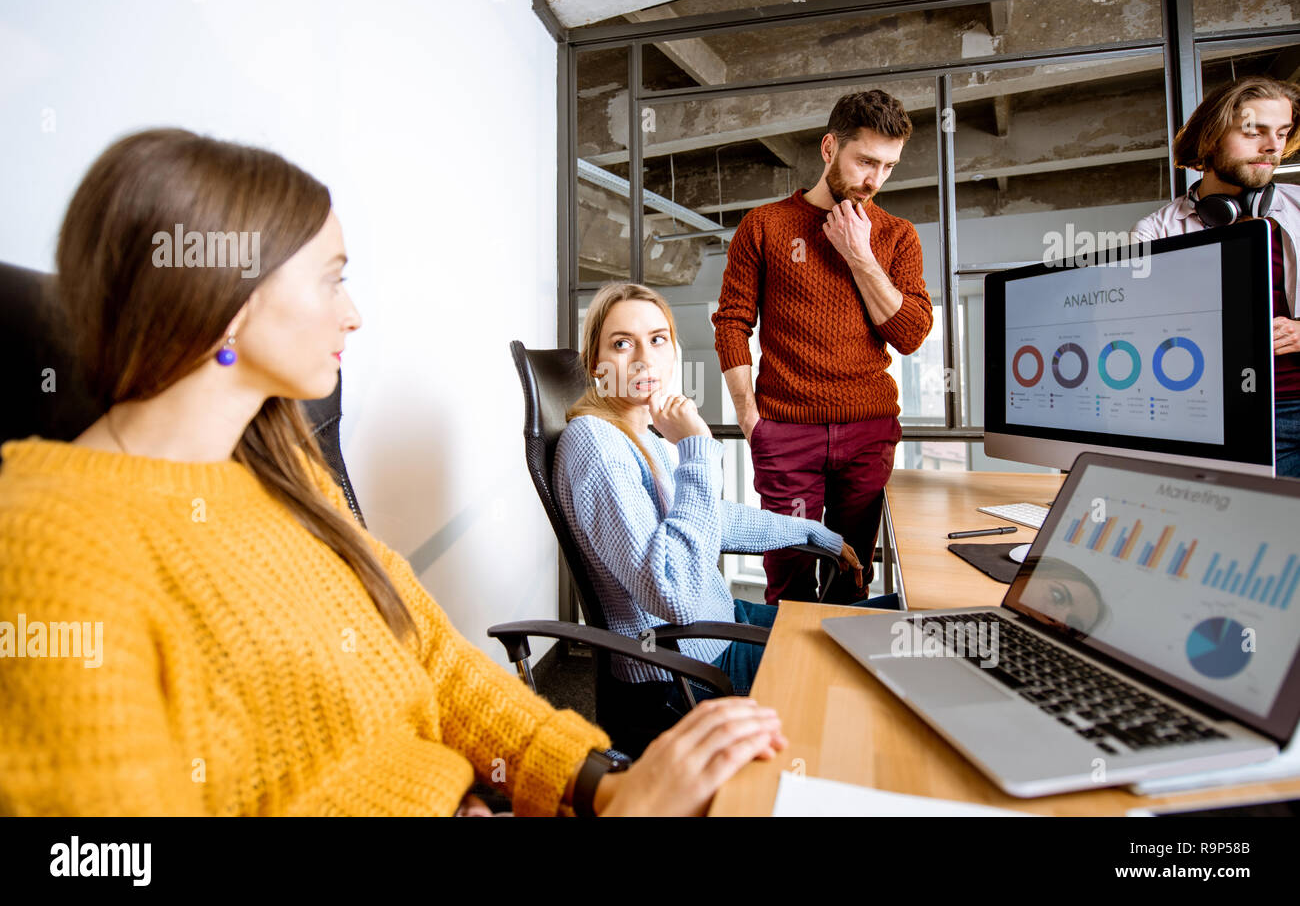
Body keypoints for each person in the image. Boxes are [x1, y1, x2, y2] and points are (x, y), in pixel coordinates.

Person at [0, 128, 789, 817]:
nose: (354, 314)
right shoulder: (52, 541)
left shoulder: (286, 474)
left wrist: (602, 782)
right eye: (332, 277)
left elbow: (437, 662)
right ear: (225, 296)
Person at [553, 282, 899, 719]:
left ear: (672, 350)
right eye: (622, 344)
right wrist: (696, 448)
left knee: (894, 620)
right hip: (687, 669)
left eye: (657, 339)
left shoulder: (642, 437)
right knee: (889, 648)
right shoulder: (596, 443)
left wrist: (813, 532)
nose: (644, 359)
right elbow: (671, 593)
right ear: (596, 364)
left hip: (719, 623)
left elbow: (711, 518)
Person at [712, 90, 935, 605]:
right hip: (786, 432)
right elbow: (732, 323)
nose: (874, 180)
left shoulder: (897, 237)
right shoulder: (764, 225)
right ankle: (785, 685)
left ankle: (840, 684)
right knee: (788, 576)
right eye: (865, 161)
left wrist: (859, 254)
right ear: (830, 147)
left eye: (888, 166)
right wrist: (750, 418)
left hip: (868, 431)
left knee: (851, 576)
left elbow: (909, 335)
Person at [1130, 75, 1300, 477]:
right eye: (1253, 132)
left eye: (1281, 132)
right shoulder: (1155, 232)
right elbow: (1148, 335)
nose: (1272, 146)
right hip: (1224, 415)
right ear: (1209, 137)